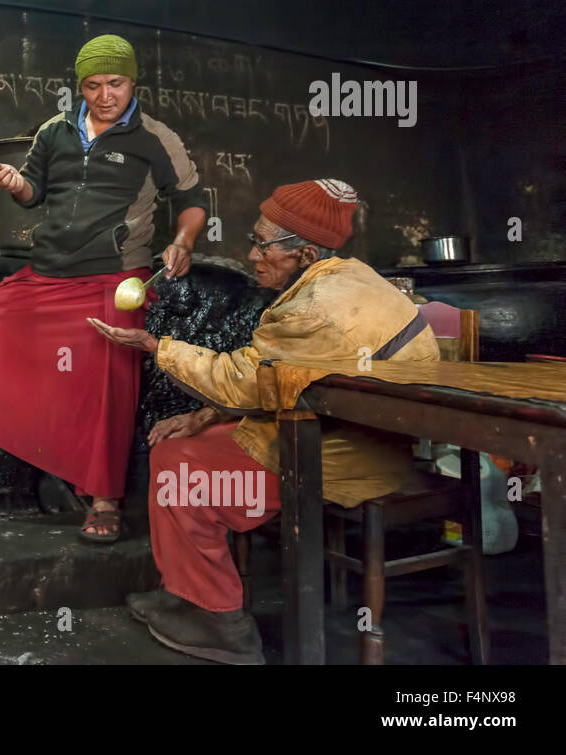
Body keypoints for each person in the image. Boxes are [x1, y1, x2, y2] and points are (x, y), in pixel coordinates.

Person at [88, 179, 440, 663]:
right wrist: (203, 414)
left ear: (306, 252)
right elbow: (283, 379)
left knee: (177, 468)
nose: (253, 254)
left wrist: (156, 347)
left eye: (262, 243)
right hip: (341, 433)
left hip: (344, 457)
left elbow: (244, 380)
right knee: (191, 439)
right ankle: (182, 591)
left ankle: (217, 619)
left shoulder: (317, 309)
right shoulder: (352, 278)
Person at [0, 34, 207, 543]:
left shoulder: (155, 138)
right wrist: (14, 184)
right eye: (93, 85)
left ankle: (104, 499)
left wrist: (182, 241)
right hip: (49, 272)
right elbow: (34, 194)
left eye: (115, 83)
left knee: (108, 375)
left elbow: (191, 200)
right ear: (81, 86)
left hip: (115, 276)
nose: (105, 94)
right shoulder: (54, 131)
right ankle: (48, 450)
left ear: (132, 81)